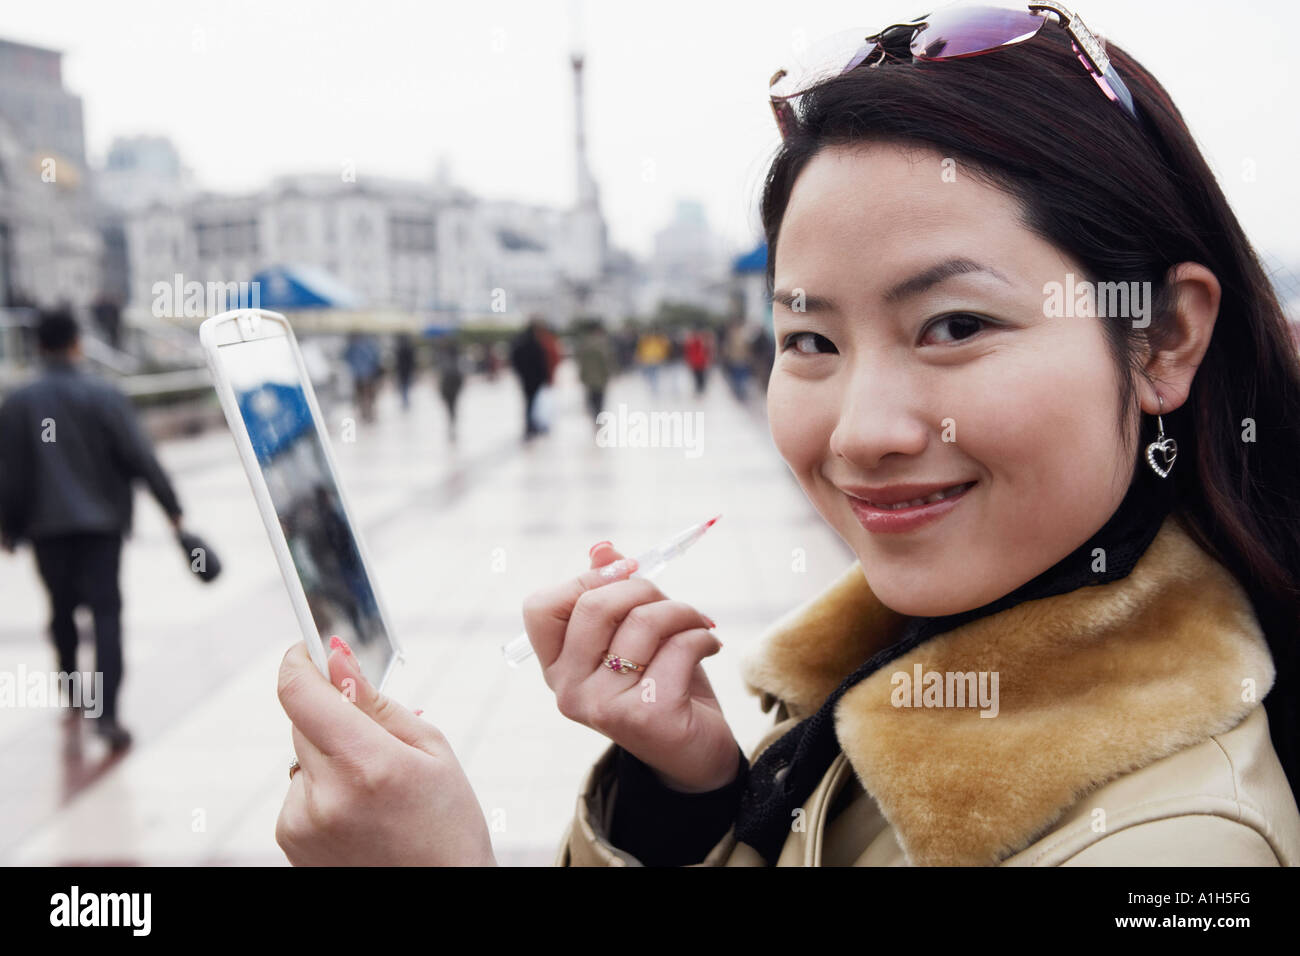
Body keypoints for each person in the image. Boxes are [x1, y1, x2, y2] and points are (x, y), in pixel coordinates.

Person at [271, 3, 1300, 866]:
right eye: (809, 338)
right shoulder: (895, 674)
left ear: (1162, 337)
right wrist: (693, 796)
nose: (862, 431)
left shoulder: (1172, 848)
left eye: (954, 325)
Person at [0, 308, 186, 750]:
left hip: (48, 530)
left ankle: (73, 692)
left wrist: (8, 527)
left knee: (60, 610)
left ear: (38, 346)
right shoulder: (104, 395)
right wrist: (172, 510)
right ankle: (107, 713)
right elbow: (139, 456)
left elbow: (9, 472)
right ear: (77, 344)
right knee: (106, 614)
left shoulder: (19, 403)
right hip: (101, 526)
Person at [508, 320, 549, 441]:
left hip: (526, 378)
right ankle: (530, 426)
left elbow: (514, 360)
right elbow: (540, 361)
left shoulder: (519, 342)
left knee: (529, 403)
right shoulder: (534, 342)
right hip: (533, 379)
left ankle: (530, 425)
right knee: (532, 403)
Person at [575, 323, 615, 431]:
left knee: (591, 399)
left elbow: (580, 361)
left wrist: (581, 376)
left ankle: (595, 418)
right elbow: (607, 362)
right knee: (599, 400)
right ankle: (598, 418)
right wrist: (608, 374)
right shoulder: (602, 344)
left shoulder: (585, 344)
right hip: (600, 377)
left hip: (589, 378)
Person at [433, 336, 465, 442]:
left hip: (449, 384)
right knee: (452, 406)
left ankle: (451, 421)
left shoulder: (445, 357)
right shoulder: (455, 357)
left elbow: (440, 372)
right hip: (452, 384)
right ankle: (452, 421)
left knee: (451, 406)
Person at [683, 324, 715, 396]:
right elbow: (688, 352)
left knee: (700, 376)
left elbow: (707, 351)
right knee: (698, 377)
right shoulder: (693, 341)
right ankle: (699, 390)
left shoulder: (698, 341)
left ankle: (700, 390)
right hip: (697, 362)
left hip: (700, 362)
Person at [393, 333, 416, 411]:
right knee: (406, 386)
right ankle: (405, 400)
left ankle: (405, 400)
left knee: (403, 387)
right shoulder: (409, 348)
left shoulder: (399, 349)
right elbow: (412, 361)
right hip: (407, 371)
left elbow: (397, 362)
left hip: (402, 371)